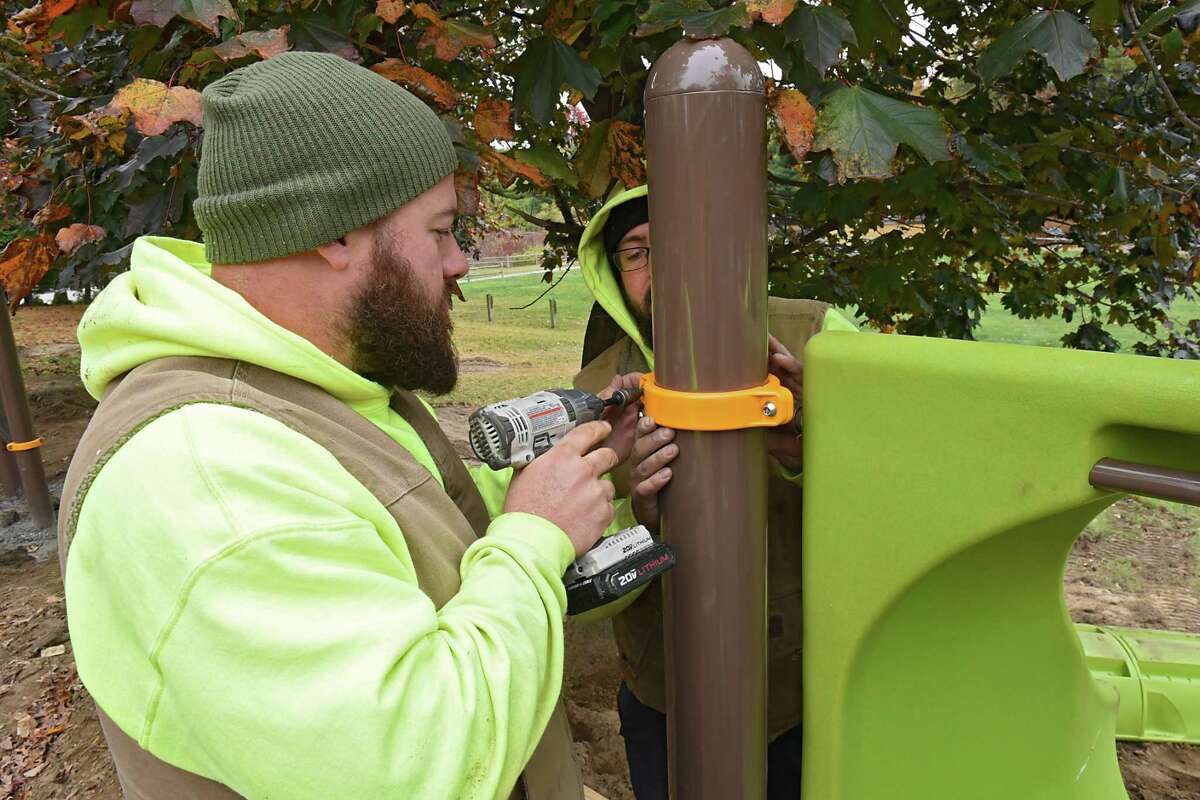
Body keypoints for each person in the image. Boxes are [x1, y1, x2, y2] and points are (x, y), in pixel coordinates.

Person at [58, 52, 639, 800]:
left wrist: (591, 476)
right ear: (335, 234)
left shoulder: (327, 386)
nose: (460, 261)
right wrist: (535, 536)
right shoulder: (206, 482)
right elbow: (421, 764)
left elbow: (425, 551)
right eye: (439, 230)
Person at [573, 184, 858, 799]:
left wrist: (813, 439)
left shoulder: (818, 336)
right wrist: (642, 518)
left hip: (813, 692)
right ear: (614, 272)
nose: (660, 270)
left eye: (679, 245)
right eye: (636, 253)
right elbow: (580, 582)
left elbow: (904, 488)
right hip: (666, 697)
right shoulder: (595, 392)